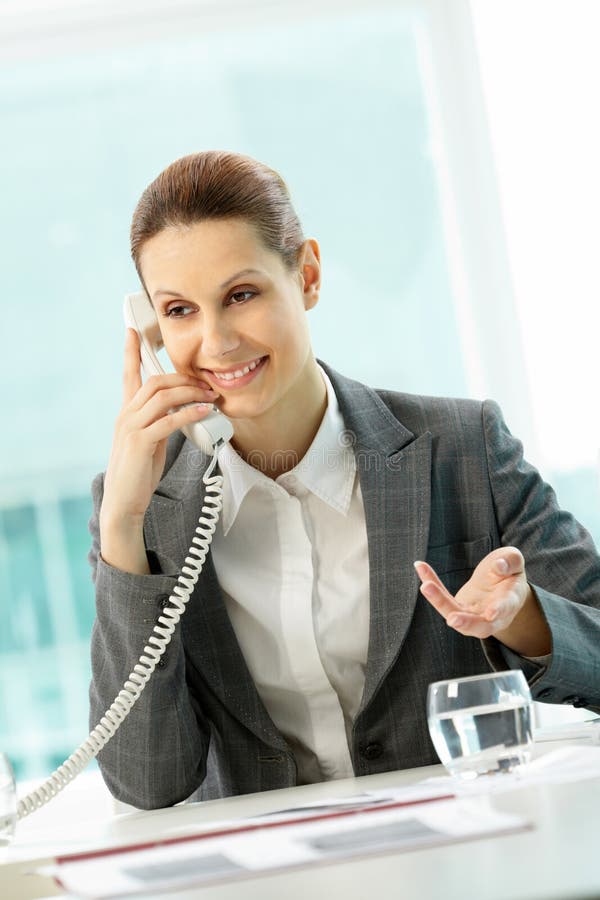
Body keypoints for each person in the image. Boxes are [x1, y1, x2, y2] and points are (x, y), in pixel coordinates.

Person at [89, 150, 600, 809]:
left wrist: (524, 619)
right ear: (150, 328)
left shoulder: (463, 448)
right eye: (180, 311)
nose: (215, 343)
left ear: (306, 275)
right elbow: (146, 782)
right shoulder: (140, 509)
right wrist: (124, 528)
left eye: (241, 295)